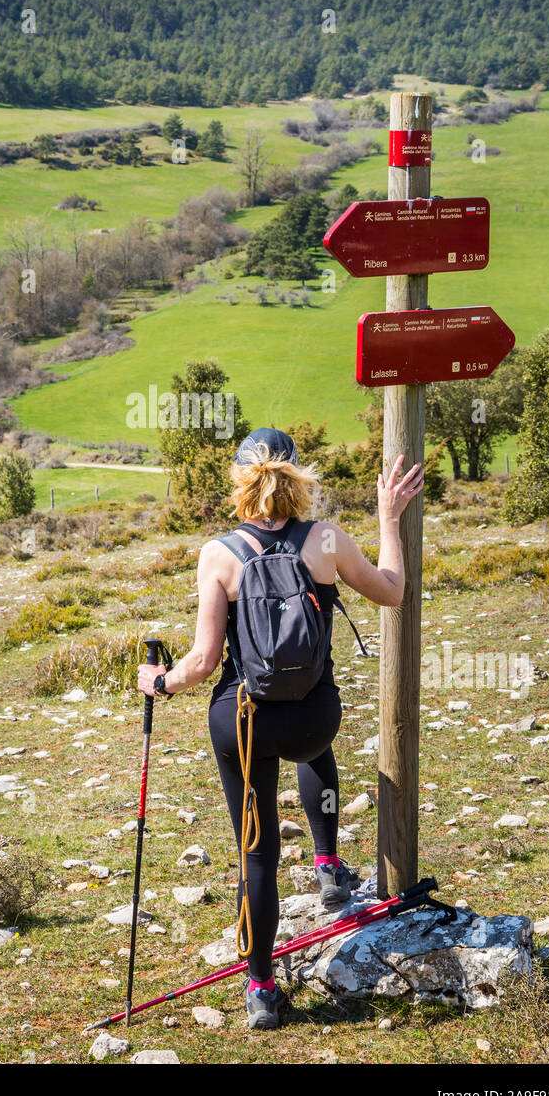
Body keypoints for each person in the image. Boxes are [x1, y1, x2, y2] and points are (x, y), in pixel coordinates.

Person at [138, 426, 424, 1030]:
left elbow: (203, 663)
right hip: (315, 719)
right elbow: (393, 593)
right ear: (298, 479)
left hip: (245, 724)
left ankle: (263, 990)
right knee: (316, 750)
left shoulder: (219, 553)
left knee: (258, 850)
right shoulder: (325, 539)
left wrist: (157, 683)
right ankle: (328, 864)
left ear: (240, 481)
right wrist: (389, 520)